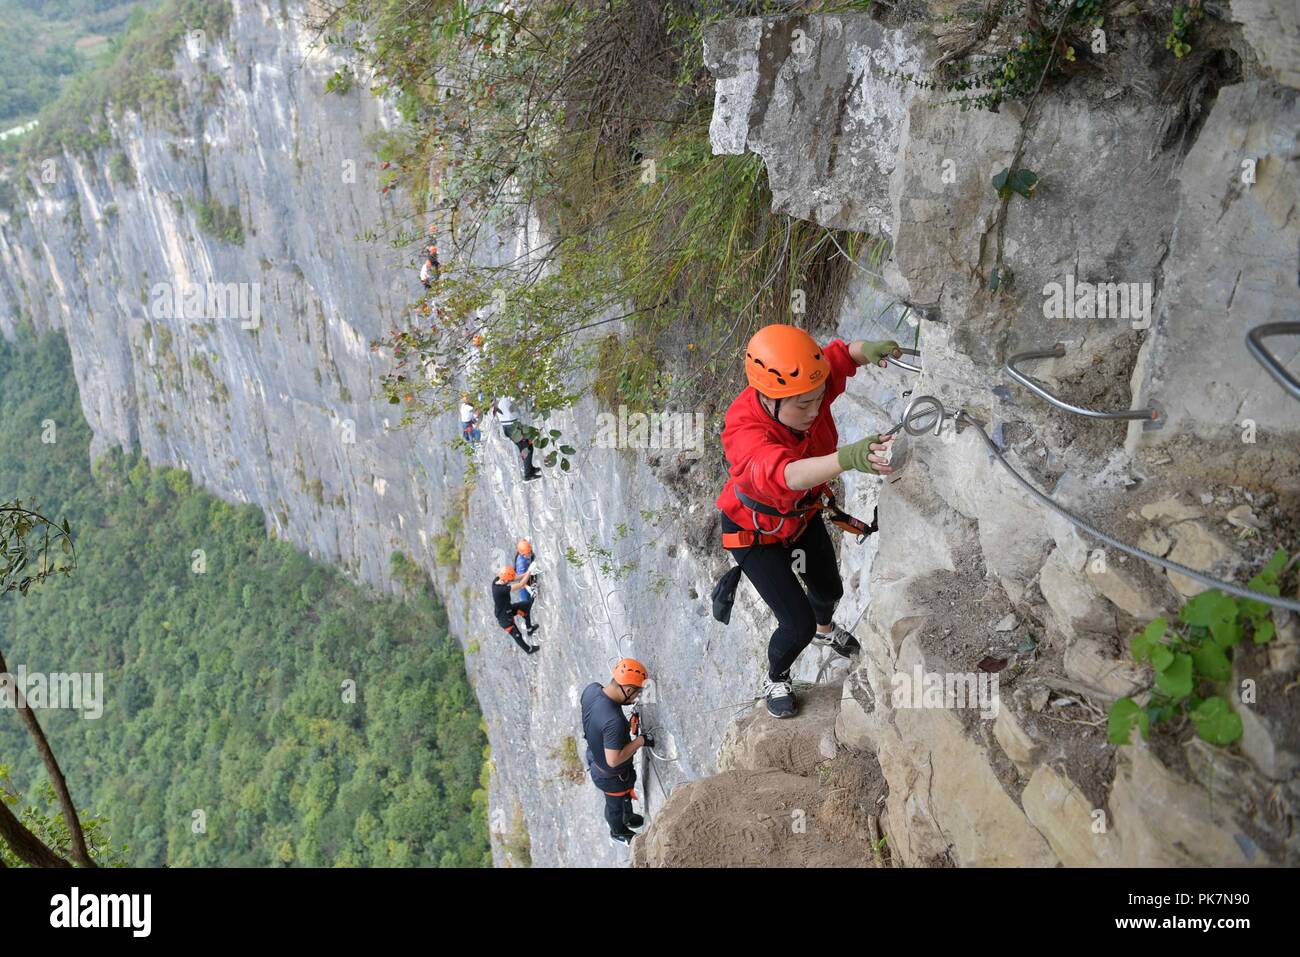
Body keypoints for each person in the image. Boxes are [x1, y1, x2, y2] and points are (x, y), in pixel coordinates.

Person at [716, 324, 899, 718]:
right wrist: (847, 459)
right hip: (754, 534)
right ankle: (777, 676)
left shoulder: (803, 391)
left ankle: (825, 630)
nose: (815, 411)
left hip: (799, 516)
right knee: (794, 624)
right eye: (803, 405)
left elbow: (841, 356)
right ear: (768, 397)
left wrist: (868, 349)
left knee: (829, 591)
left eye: (819, 399)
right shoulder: (745, 431)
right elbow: (786, 474)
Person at [581, 659, 652, 847]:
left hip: (596, 755)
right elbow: (613, 760)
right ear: (628, 690)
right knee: (614, 806)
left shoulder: (592, 690)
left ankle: (627, 815)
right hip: (611, 775)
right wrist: (640, 741)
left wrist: (620, 732)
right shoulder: (613, 720)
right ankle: (618, 832)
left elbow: (596, 722)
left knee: (622, 799)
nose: (636, 698)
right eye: (636, 693)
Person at [491, 565, 538, 654]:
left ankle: (529, 629)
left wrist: (527, 573)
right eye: (509, 580)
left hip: (507, 609)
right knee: (517, 635)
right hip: (505, 619)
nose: (510, 581)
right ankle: (529, 650)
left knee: (526, 607)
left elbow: (514, 578)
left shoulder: (497, 580)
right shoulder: (501, 589)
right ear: (505, 579)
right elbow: (521, 584)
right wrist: (529, 571)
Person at [494, 396, 541, 481]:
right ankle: (528, 475)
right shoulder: (505, 401)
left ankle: (530, 468)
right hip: (513, 428)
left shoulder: (501, 401)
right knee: (525, 448)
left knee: (529, 446)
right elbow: (515, 414)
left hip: (510, 427)